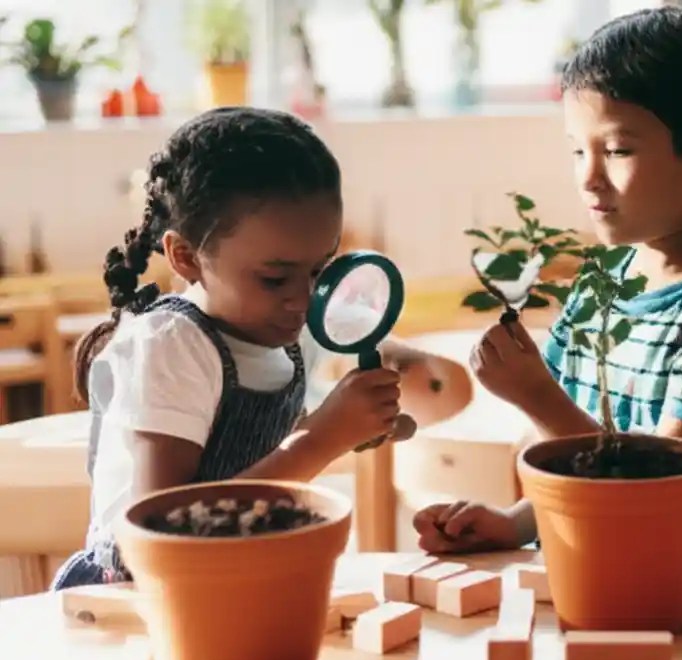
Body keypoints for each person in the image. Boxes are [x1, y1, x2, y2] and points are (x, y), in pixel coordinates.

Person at [413, 6, 682, 554]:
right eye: (578, 149)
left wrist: (537, 396)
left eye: (618, 149)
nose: (588, 176)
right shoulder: (601, 284)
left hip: (669, 586)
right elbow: (573, 464)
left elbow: (663, 489)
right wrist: (516, 524)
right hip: (579, 566)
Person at [52, 107, 441, 590]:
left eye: (320, 269)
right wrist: (318, 440)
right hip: (135, 602)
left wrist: (349, 426)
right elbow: (165, 528)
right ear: (187, 257)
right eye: (275, 277)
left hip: (234, 580)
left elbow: (245, 451)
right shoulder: (173, 347)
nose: (302, 298)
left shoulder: (286, 330)